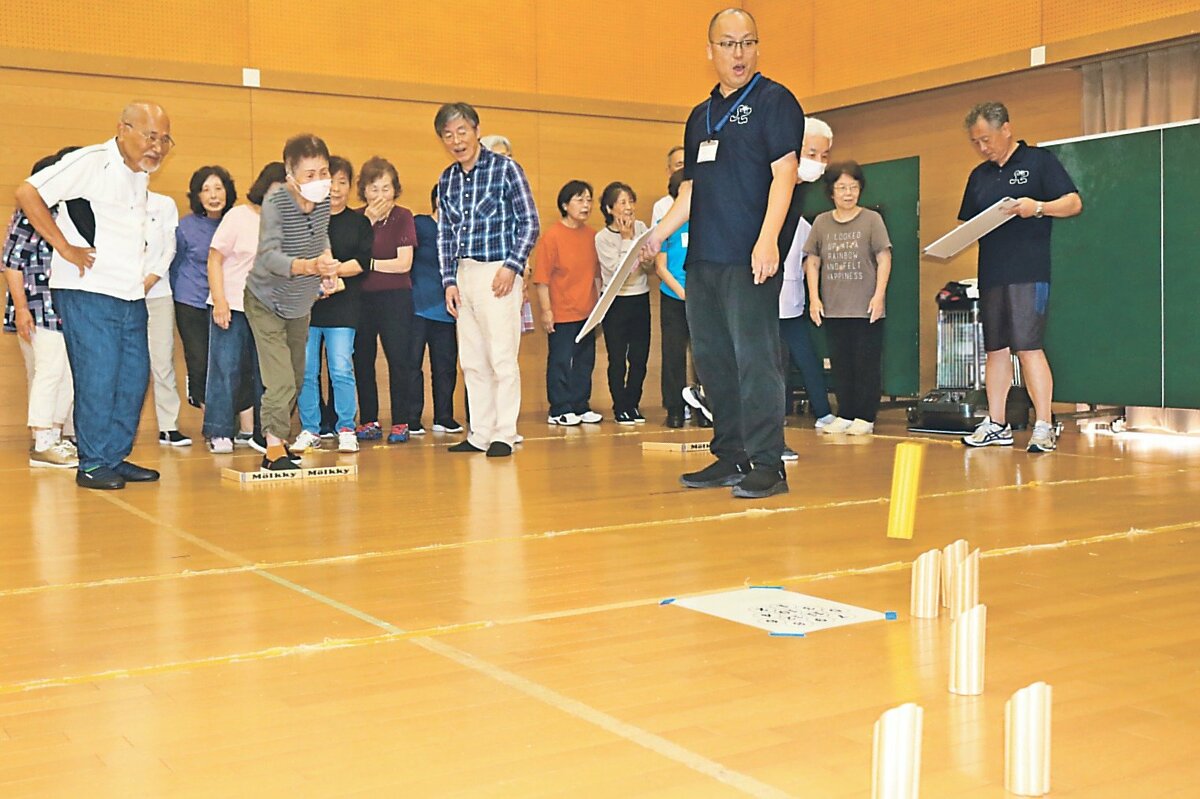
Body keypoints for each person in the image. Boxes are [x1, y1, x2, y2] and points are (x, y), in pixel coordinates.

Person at [642, 8, 804, 499]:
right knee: (713, 360)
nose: (739, 53)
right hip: (704, 260)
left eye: (747, 42)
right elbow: (691, 191)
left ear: (757, 47)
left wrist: (767, 239)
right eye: (728, 44)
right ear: (709, 50)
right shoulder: (700, 116)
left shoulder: (776, 102)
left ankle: (769, 463)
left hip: (749, 255)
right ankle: (730, 454)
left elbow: (785, 174)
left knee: (756, 360)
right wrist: (657, 233)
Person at [16, 101, 174, 490]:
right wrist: (64, 247)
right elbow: (28, 191)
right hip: (87, 290)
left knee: (133, 378)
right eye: (149, 136)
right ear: (123, 129)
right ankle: (91, 463)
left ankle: (113, 456)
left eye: (165, 139)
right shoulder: (91, 161)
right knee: (98, 377)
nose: (157, 146)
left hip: (129, 293)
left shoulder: (139, 175)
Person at [958, 101, 1082, 453]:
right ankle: (996, 423)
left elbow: (1073, 203)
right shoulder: (978, 176)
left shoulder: (1038, 162)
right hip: (992, 273)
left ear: (1006, 129)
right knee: (995, 350)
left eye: (986, 139)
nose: (983, 147)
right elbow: (968, 224)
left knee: (1028, 347)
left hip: (1029, 271)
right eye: (976, 142)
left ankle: (1044, 424)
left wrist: (1037, 207)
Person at [435, 102, 540, 457]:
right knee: (473, 360)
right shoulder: (447, 178)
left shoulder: (506, 169)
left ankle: (503, 433)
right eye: (448, 135)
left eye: (462, 131)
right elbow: (445, 235)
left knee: (501, 358)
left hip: (499, 271)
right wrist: (449, 280)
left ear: (477, 130)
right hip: (463, 275)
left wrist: (512, 267)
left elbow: (529, 221)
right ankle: (479, 433)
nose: (456, 140)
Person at [244, 133, 339, 471]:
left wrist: (325, 265)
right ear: (291, 177)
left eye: (324, 172)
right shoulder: (275, 204)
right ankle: (272, 451)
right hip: (265, 300)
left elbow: (321, 236)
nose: (319, 181)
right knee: (280, 377)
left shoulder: (324, 202)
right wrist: (308, 267)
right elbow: (269, 257)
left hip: (300, 302)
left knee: (297, 376)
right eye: (310, 175)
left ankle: (280, 442)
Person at [2, 147, 80, 469]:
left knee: (67, 375)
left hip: (64, 305)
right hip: (37, 305)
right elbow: (10, 262)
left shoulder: (65, 214)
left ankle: (55, 436)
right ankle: (42, 441)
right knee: (48, 371)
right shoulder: (28, 214)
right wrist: (21, 309)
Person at [804, 161, 893, 436]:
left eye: (853, 187)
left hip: (866, 306)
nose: (848, 193)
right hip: (834, 307)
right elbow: (813, 261)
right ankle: (845, 412)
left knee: (866, 362)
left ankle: (866, 416)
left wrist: (879, 296)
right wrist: (814, 298)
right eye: (841, 187)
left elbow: (884, 257)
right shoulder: (821, 222)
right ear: (831, 192)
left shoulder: (871, 220)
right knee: (841, 363)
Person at [203, 162, 285, 453]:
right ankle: (219, 431)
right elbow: (214, 259)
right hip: (233, 305)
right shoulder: (239, 216)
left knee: (269, 375)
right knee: (225, 368)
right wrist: (220, 300)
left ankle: (266, 434)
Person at [294, 155, 373, 454]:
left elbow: (363, 263)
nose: (337, 189)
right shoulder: (308, 218)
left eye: (342, 182)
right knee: (306, 370)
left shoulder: (359, 222)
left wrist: (333, 270)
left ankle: (345, 427)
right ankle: (311, 428)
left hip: (344, 307)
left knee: (340, 368)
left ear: (350, 187)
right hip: (309, 306)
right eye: (331, 182)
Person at [778, 116, 838, 457]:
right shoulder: (774, 187)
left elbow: (809, 262)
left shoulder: (804, 219)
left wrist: (812, 298)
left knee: (807, 360)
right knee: (770, 365)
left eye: (824, 155)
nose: (818, 161)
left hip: (793, 304)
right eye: (812, 152)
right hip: (763, 301)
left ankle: (824, 411)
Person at [352, 156, 419, 443]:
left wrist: (367, 264)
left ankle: (401, 421)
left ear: (396, 189)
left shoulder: (403, 216)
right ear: (364, 191)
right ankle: (368, 420)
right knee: (362, 359)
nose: (380, 195)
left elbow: (403, 264)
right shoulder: (355, 218)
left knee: (399, 358)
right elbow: (346, 257)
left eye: (386, 188)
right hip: (360, 299)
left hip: (396, 298)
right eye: (374, 188)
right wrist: (366, 222)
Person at [534, 180, 602, 426]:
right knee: (561, 360)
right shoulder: (552, 237)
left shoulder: (593, 236)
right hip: (561, 311)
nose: (586, 205)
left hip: (588, 311)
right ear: (565, 204)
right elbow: (541, 279)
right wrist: (546, 311)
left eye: (589, 200)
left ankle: (580, 405)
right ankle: (559, 409)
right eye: (579, 200)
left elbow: (597, 274)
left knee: (585, 361)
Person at [171, 165, 235, 411]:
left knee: (226, 362)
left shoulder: (235, 222)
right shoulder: (185, 226)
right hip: (191, 302)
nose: (213, 195)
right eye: (206, 190)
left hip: (227, 303)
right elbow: (175, 265)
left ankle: (226, 419)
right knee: (199, 361)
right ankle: (211, 419)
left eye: (218, 188)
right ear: (197, 196)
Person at [596, 181, 654, 424]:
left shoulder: (642, 227)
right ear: (610, 209)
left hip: (640, 299)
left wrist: (649, 257)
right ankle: (620, 406)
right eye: (622, 202)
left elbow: (648, 265)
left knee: (640, 357)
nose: (628, 207)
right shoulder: (602, 238)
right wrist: (628, 239)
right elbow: (621, 272)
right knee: (617, 358)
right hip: (615, 303)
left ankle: (633, 403)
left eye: (631, 201)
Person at [411, 186, 462, 434]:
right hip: (417, 307)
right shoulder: (419, 224)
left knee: (445, 366)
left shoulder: (459, 233)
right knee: (412, 365)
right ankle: (411, 418)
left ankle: (444, 416)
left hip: (447, 311)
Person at [143, 190, 189, 447]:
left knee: (162, 360)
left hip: (158, 291)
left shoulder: (164, 203)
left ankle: (168, 426)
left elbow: (170, 248)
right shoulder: (112, 199)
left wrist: (151, 278)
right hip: (120, 293)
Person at [656, 169, 690, 428]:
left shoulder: (706, 223)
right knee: (673, 355)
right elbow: (660, 267)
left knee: (706, 356)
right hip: (673, 297)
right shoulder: (666, 225)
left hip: (703, 299)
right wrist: (681, 291)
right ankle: (675, 409)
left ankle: (707, 407)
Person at [651, 145, 686, 226]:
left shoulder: (703, 201)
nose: (684, 169)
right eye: (679, 165)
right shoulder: (661, 206)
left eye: (687, 164)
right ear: (669, 172)